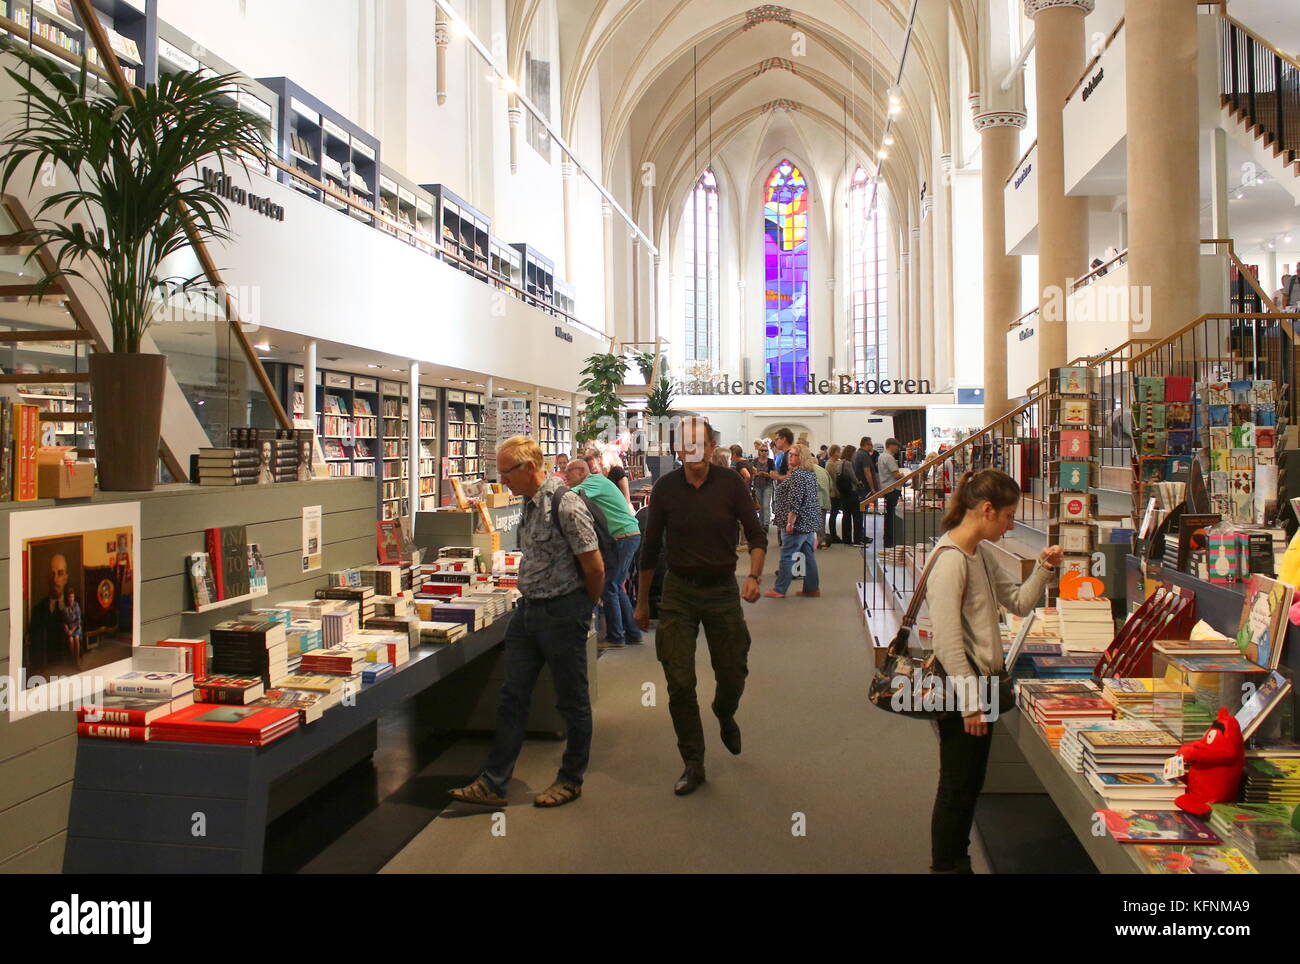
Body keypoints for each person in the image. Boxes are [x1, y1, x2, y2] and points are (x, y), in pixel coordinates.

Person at [450, 436, 604, 809]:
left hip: (562, 612)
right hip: (528, 612)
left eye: (506, 472)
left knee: (572, 700)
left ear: (529, 468)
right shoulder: (529, 504)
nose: (502, 481)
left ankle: (570, 779)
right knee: (512, 695)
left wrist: (582, 611)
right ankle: (494, 781)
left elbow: (594, 566)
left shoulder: (564, 504)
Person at [926, 469, 1062, 873]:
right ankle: (947, 864)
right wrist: (971, 705)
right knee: (957, 785)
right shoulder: (951, 561)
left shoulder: (978, 553)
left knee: (968, 785)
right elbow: (947, 643)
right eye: (1007, 516)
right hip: (963, 690)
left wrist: (1043, 568)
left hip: (978, 686)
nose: (1009, 525)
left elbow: (1018, 603)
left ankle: (955, 858)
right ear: (987, 510)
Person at [636, 417, 766, 796]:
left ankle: (724, 712)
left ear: (711, 447)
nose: (692, 449)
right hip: (678, 591)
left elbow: (756, 534)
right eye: (685, 443)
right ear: (678, 449)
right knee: (678, 679)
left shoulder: (730, 484)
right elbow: (650, 547)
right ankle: (693, 761)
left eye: (700, 442)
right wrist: (643, 602)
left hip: (722, 589)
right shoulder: (665, 489)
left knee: (733, 669)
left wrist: (754, 576)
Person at [565, 458, 643, 648]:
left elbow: (568, 497)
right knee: (616, 585)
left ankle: (616, 637)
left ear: (581, 471)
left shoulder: (593, 481)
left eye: (568, 472)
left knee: (609, 586)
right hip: (626, 535)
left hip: (624, 536)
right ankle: (632, 632)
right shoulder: (595, 482)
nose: (565, 477)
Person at [766, 444, 823, 597]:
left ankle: (779, 589)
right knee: (808, 555)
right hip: (808, 521)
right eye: (790, 454)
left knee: (787, 555)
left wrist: (790, 522)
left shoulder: (798, 475)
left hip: (797, 523)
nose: (790, 457)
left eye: (795, 455)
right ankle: (811, 588)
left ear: (802, 457)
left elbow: (795, 501)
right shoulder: (809, 473)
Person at [26, 552, 70, 672]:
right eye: (52, 574)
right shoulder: (37, 611)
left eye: (60, 573)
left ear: (66, 577)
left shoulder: (78, 604)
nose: (55, 579)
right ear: (47, 578)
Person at [877, 438, 903, 549]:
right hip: (892, 489)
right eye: (896, 446)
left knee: (889, 516)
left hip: (885, 488)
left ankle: (887, 539)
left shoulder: (881, 456)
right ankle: (890, 539)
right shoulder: (889, 457)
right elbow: (896, 474)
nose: (897, 448)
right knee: (891, 516)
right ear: (891, 445)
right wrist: (904, 475)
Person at [836, 444, 864, 546]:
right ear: (851, 453)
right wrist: (859, 483)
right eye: (854, 452)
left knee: (846, 515)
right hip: (851, 491)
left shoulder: (839, 463)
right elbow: (853, 478)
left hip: (843, 492)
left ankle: (846, 539)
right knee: (857, 516)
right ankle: (857, 539)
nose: (855, 455)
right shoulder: (848, 463)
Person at [810, 449, 834, 549]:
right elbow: (831, 486)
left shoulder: (809, 470)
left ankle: (820, 542)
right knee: (822, 522)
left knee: (816, 523)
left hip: (816, 499)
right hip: (825, 499)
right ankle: (822, 542)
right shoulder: (824, 470)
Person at [751, 440, 775, 527]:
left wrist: (766, 474)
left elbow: (773, 474)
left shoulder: (770, 461)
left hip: (767, 485)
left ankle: (766, 524)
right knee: (760, 506)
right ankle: (761, 524)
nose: (764, 452)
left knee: (766, 505)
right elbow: (752, 472)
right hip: (757, 485)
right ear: (759, 451)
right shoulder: (755, 461)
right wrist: (757, 474)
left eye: (766, 450)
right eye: (762, 450)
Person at [825, 445, 843, 541]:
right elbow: (833, 479)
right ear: (834, 452)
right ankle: (833, 535)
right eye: (838, 451)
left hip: (837, 491)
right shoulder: (830, 464)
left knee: (835, 513)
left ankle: (834, 534)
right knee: (833, 514)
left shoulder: (836, 462)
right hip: (834, 491)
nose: (840, 453)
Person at [63, 587, 83, 668]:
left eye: (72, 597)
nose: (71, 599)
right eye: (70, 597)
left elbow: (79, 620)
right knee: (71, 640)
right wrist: (66, 628)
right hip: (69, 628)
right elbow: (64, 621)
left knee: (76, 638)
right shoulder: (65, 608)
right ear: (67, 598)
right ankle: (73, 658)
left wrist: (72, 629)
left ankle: (77, 659)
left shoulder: (76, 605)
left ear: (74, 597)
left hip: (76, 627)